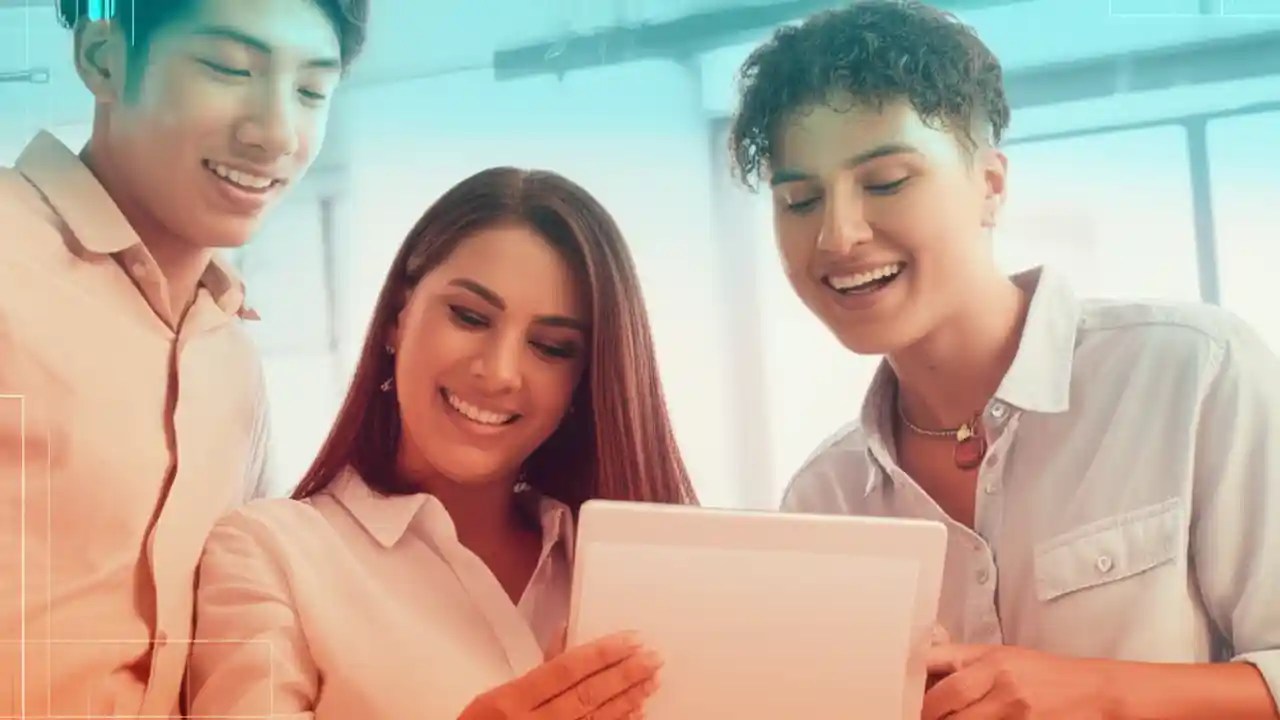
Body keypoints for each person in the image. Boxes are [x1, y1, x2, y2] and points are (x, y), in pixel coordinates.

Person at [728, 1, 1279, 717]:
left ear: (990, 186)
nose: (837, 236)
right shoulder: (821, 502)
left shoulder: (1195, 373)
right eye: (800, 200)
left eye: (886, 183)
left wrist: (1087, 690)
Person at [187, 166, 696, 718]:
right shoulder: (269, 553)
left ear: (584, 382)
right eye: (470, 316)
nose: (500, 372)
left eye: (550, 346)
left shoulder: (639, 566)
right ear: (397, 320)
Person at [0, 0, 367, 715]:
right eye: (229, 68)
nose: (276, 134)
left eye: (311, 92)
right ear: (105, 60)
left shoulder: (233, 364)